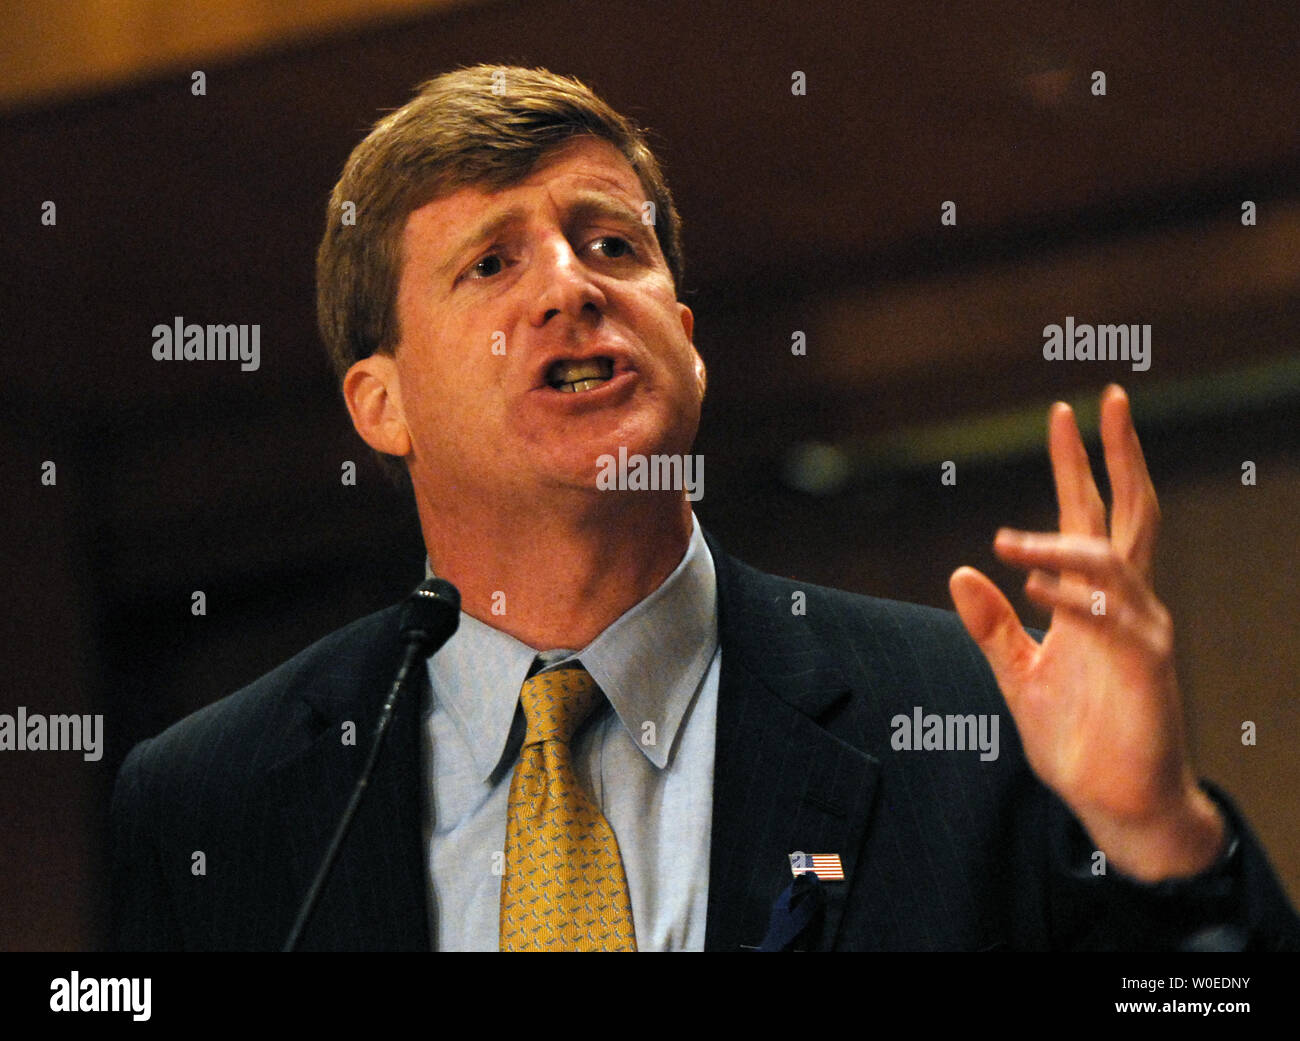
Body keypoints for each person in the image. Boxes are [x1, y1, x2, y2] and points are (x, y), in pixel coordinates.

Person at [111, 64, 1300, 951]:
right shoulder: (216, 799)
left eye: (610, 244)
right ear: (381, 404)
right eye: (492, 264)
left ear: (683, 341)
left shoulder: (970, 722)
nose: (570, 287)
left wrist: (1159, 834)